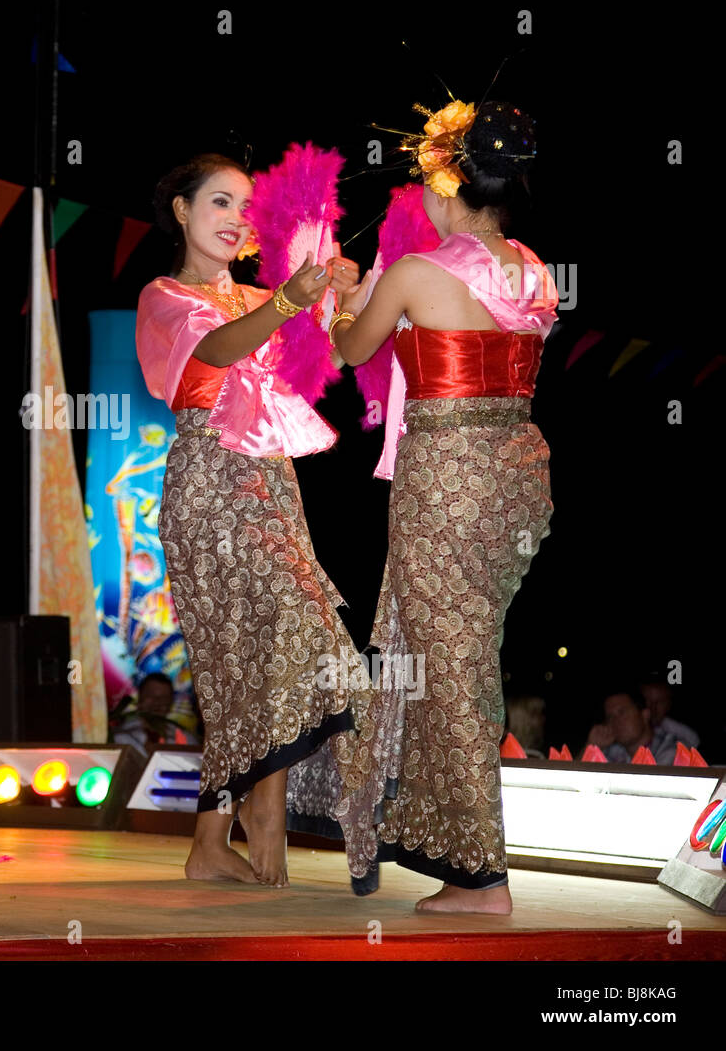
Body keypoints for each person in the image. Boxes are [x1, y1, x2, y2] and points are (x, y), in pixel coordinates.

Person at [330, 101, 558, 914]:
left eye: (428, 175)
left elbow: (350, 350)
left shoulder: (418, 273)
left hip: (449, 474)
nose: (421, 191)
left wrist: (334, 306)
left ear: (453, 178)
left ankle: (483, 875)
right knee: (468, 653)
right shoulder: (535, 270)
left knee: (453, 665)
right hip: (518, 476)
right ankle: (458, 848)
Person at [135, 152, 369, 888]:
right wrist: (289, 303)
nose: (236, 219)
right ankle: (252, 827)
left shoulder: (272, 293)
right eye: (219, 203)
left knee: (271, 658)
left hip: (273, 480)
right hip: (210, 478)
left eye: (245, 207)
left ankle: (219, 835)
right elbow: (214, 349)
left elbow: (335, 354)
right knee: (262, 651)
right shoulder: (164, 294)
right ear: (181, 210)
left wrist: (348, 298)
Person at [109, 672, 198, 758]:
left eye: (164, 697)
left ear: (171, 703)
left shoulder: (186, 739)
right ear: (140, 699)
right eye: (150, 695)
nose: (157, 702)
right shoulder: (119, 735)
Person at [587, 689, 681, 765]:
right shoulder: (614, 750)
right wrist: (591, 746)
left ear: (645, 714)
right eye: (610, 717)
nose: (615, 721)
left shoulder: (672, 750)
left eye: (622, 713)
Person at [638, 678, 700, 751]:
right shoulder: (625, 731)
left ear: (669, 705)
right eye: (647, 700)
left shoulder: (686, 736)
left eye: (660, 702)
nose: (653, 708)